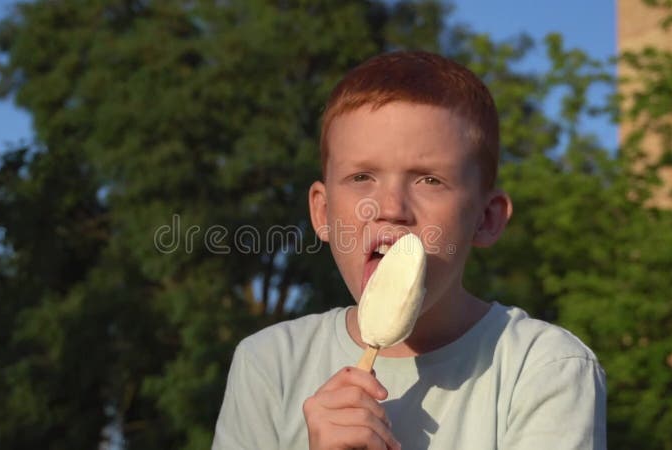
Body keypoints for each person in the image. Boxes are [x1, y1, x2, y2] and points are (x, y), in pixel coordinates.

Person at [212, 51, 606, 450]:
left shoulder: (546, 368)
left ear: (486, 218)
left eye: (429, 180)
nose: (390, 208)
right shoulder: (269, 364)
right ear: (322, 211)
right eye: (361, 177)